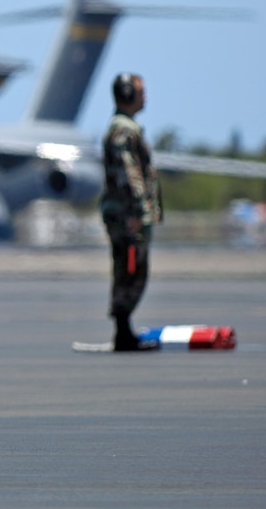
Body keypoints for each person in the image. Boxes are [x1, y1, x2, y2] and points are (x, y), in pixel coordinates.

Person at [99, 73, 162, 351]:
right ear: (128, 94)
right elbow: (129, 173)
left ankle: (124, 330)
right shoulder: (124, 129)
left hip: (125, 213)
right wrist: (137, 210)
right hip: (128, 215)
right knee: (131, 268)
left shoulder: (125, 127)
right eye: (141, 92)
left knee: (129, 268)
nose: (145, 97)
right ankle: (123, 331)